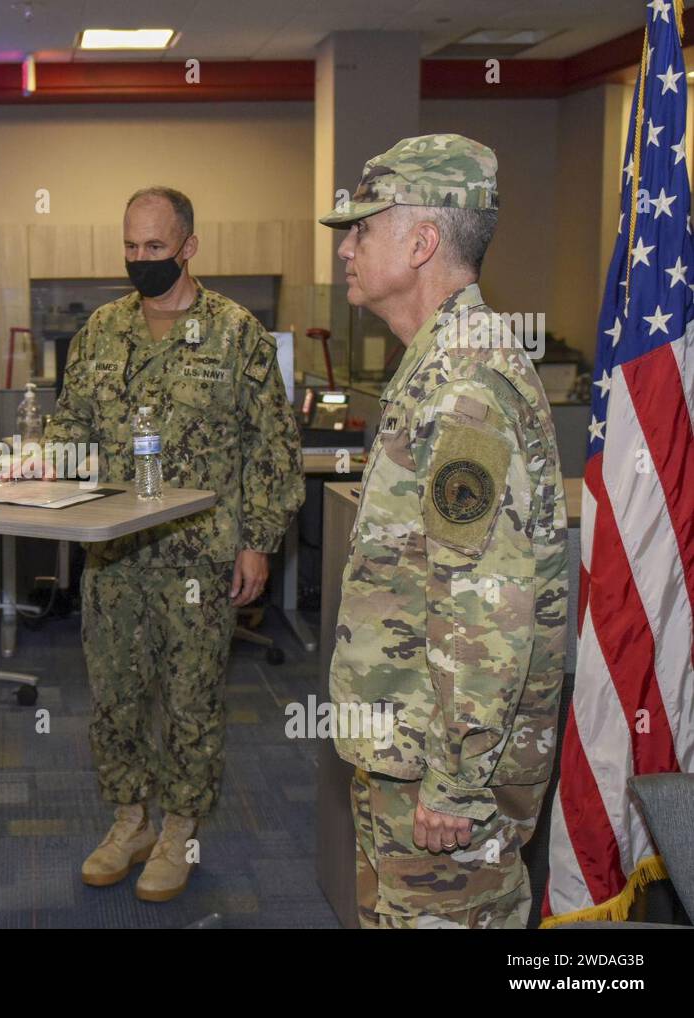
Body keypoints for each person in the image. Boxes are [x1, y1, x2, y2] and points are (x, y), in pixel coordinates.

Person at [320, 134, 568, 929]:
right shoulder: (439, 363)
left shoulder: (464, 384)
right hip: (407, 749)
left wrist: (456, 783)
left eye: (363, 228)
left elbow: (486, 606)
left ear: (423, 242)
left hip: (445, 776)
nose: (346, 249)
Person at [45, 186, 304, 902]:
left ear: (189, 246)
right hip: (115, 556)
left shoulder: (234, 331)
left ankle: (180, 831)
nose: (139, 260)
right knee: (115, 700)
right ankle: (129, 821)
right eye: (129, 247)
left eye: (154, 248)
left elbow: (273, 448)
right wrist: (41, 466)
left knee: (189, 703)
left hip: (201, 554)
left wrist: (258, 543)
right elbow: (70, 426)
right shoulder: (100, 330)